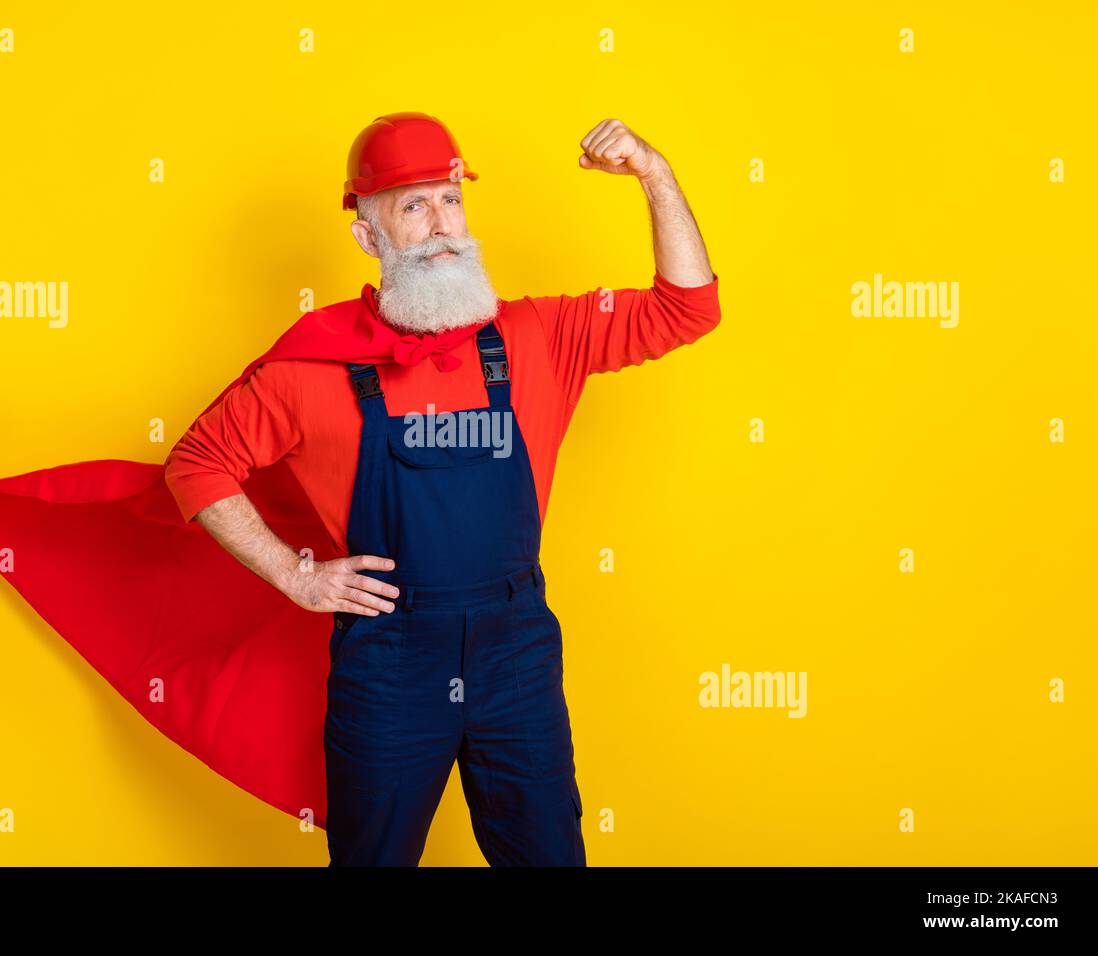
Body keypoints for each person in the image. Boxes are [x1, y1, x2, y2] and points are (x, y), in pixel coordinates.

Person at [162, 112, 722, 865]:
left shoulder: (539, 337)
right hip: (390, 661)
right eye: (413, 206)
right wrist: (295, 575)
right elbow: (196, 463)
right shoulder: (311, 367)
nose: (441, 225)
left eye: (450, 200)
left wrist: (654, 175)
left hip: (515, 651)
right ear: (369, 237)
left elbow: (690, 307)